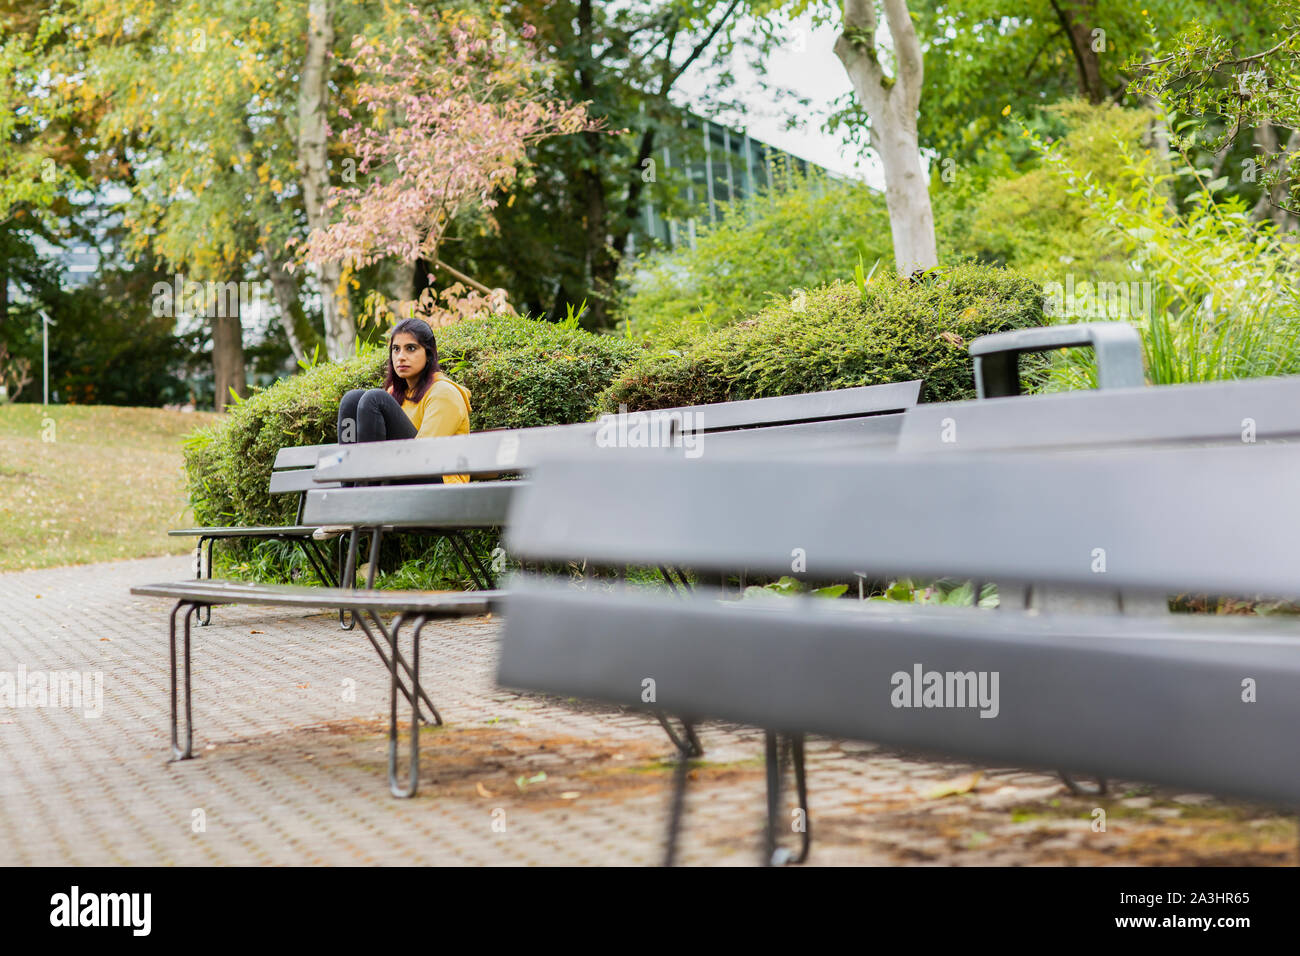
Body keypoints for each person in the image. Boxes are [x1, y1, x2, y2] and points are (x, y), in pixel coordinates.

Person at [314, 318, 472, 542]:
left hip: (443, 492)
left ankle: (360, 504)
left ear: (429, 354)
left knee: (373, 399)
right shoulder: (396, 395)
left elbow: (424, 457)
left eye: (411, 348)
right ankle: (349, 503)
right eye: (396, 349)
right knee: (352, 400)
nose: (401, 356)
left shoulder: (444, 393)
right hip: (405, 484)